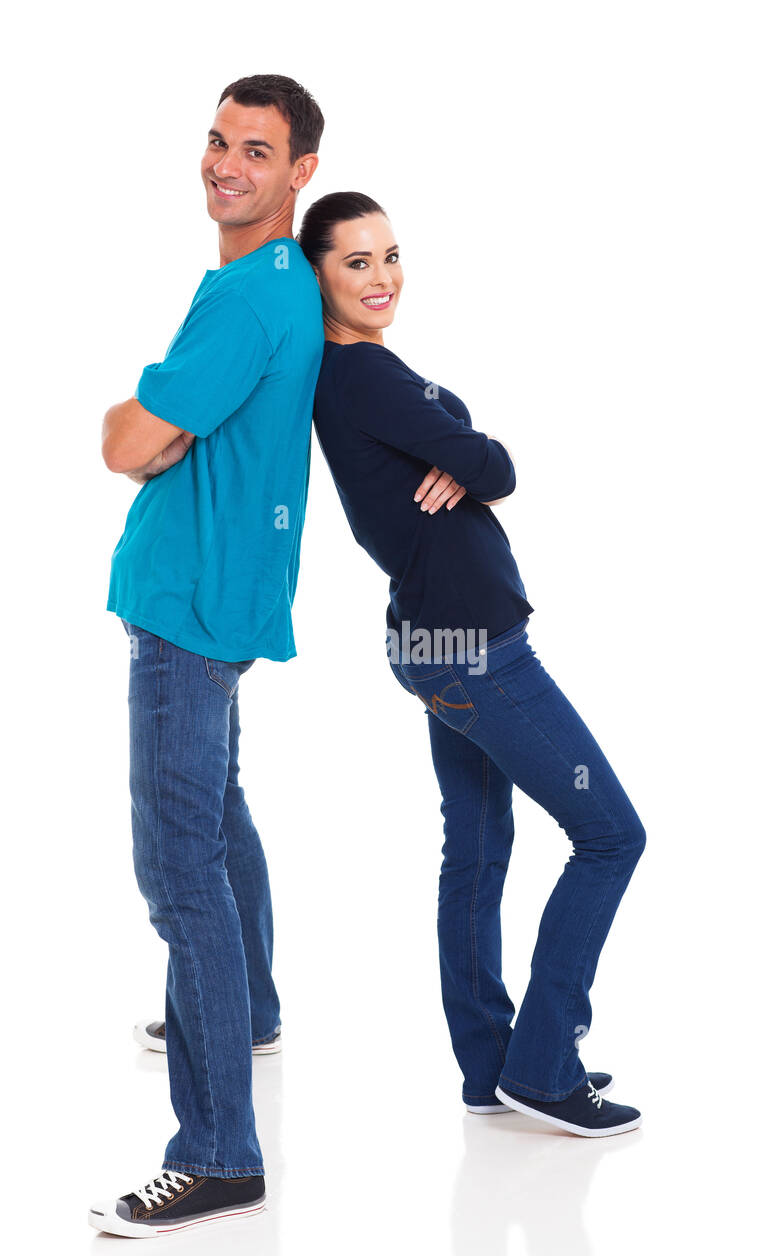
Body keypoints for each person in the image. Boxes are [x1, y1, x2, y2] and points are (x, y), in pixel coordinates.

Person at [299, 193, 647, 1138]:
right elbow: (493, 467)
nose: (383, 279)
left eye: (392, 256)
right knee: (613, 836)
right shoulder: (364, 376)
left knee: (480, 846)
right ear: (317, 274)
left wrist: (453, 434)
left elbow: (464, 448)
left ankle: (491, 1065)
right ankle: (542, 1062)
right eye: (357, 263)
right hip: (475, 653)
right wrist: (464, 441)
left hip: (436, 641)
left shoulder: (356, 372)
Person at [90, 75, 324, 1237]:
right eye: (220, 140)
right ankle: (251, 1008)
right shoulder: (265, 282)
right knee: (216, 812)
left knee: (178, 865)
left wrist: (134, 423)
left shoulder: (246, 304)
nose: (226, 163)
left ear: (299, 174)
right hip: (217, 595)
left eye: (257, 149)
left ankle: (219, 1151)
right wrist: (153, 427)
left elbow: (127, 440)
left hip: (188, 609)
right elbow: (157, 434)